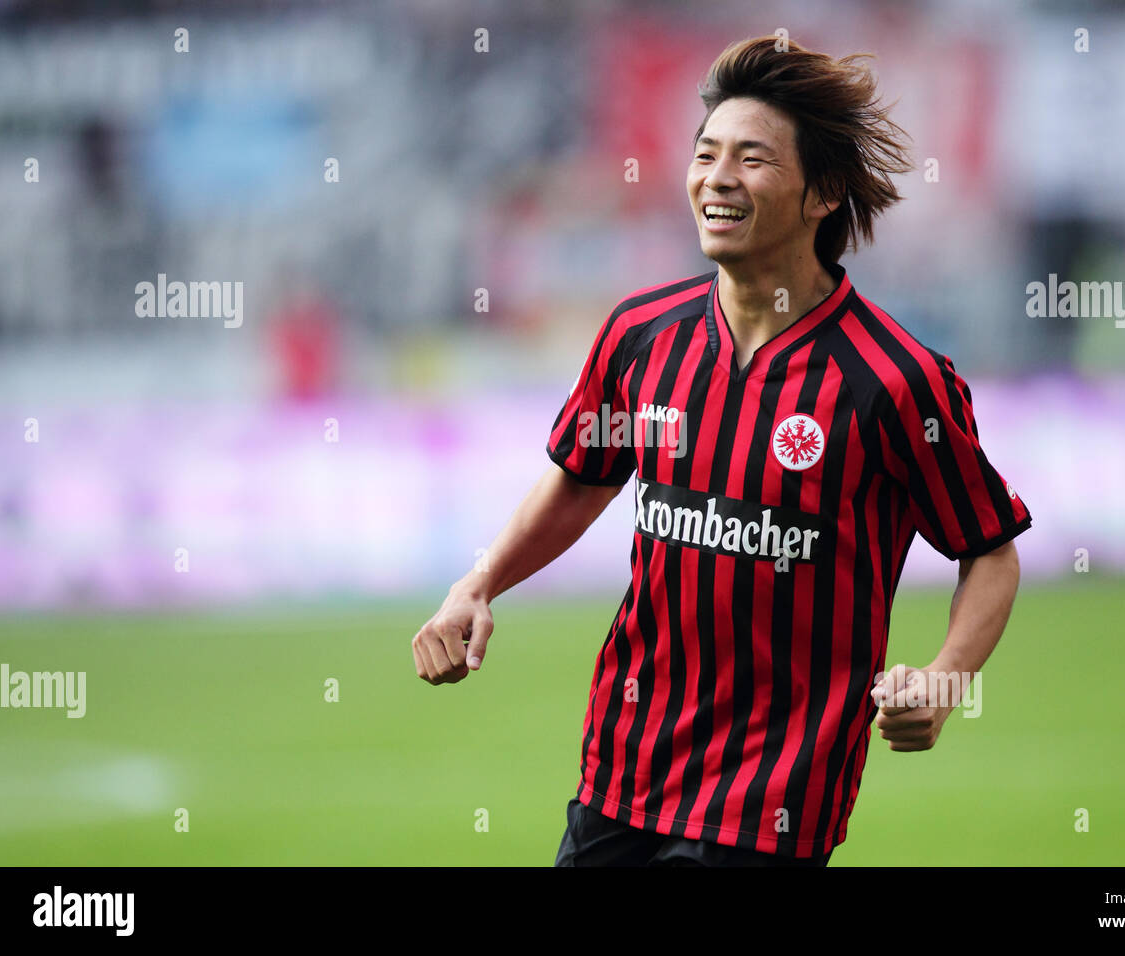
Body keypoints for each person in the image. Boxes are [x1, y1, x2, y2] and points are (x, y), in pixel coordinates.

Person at [412, 35, 1032, 866]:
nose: (717, 178)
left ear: (824, 194)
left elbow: (988, 548)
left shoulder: (895, 381)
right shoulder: (641, 335)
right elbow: (578, 483)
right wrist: (479, 583)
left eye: (751, 159)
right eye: (705, 154)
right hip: (624, 771)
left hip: (775, 799)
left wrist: (946, 678)